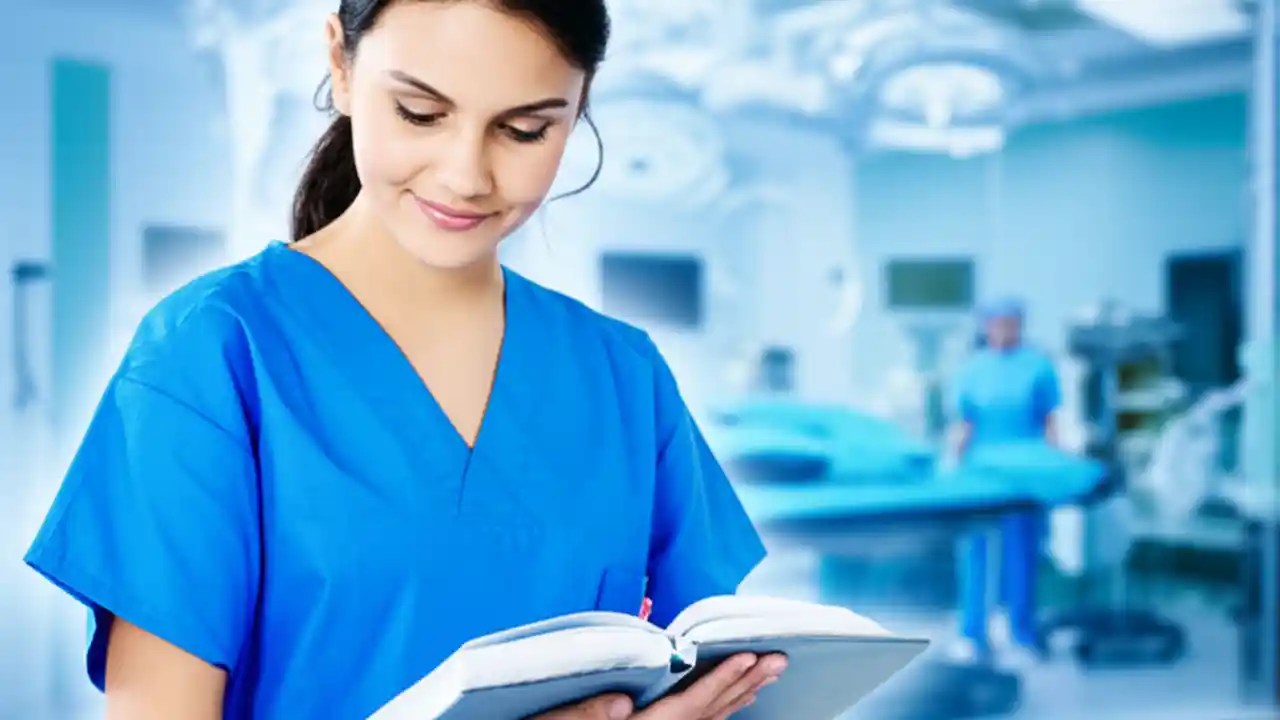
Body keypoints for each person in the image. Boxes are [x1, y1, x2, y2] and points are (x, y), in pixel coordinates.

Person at [22, 1, 787, 718]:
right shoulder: (213, 352)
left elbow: (717, 672)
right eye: (419, 113)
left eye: (524, 130)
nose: (465, 175)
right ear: (342, 64)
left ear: (577, 108)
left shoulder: (623, 376)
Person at [952, 297, 1061, 663]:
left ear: (1020, 325)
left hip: (1025, 476)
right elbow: (964, 424)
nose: (1003, 330)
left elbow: (1050, 423)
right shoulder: (972, 370)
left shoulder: (1038, 367)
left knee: (1021, 553)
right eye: (996, 324)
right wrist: (952, 469)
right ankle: (972, 634)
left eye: (1010, 323)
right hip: (981, 475)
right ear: (985, 327)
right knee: (976, 552)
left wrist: (1054, 470)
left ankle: (1022, 634)